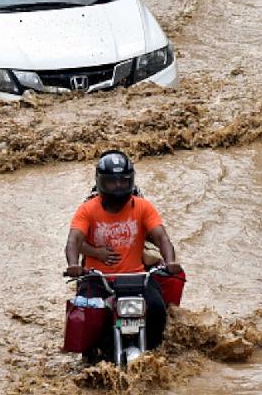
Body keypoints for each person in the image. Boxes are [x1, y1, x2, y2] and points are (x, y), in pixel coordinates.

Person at [64, 150, 182, 351]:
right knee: (88, 318)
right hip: (97, 279)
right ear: (101, 182)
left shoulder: (143, 206)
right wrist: (73, 265)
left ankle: (152, 355)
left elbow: (161, 237)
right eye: (112, 182)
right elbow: (73, 240)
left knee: (157, 309)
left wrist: (170, 261)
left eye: (123, 181)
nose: (118, 186)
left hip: (137, 278)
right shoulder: (87, 209)